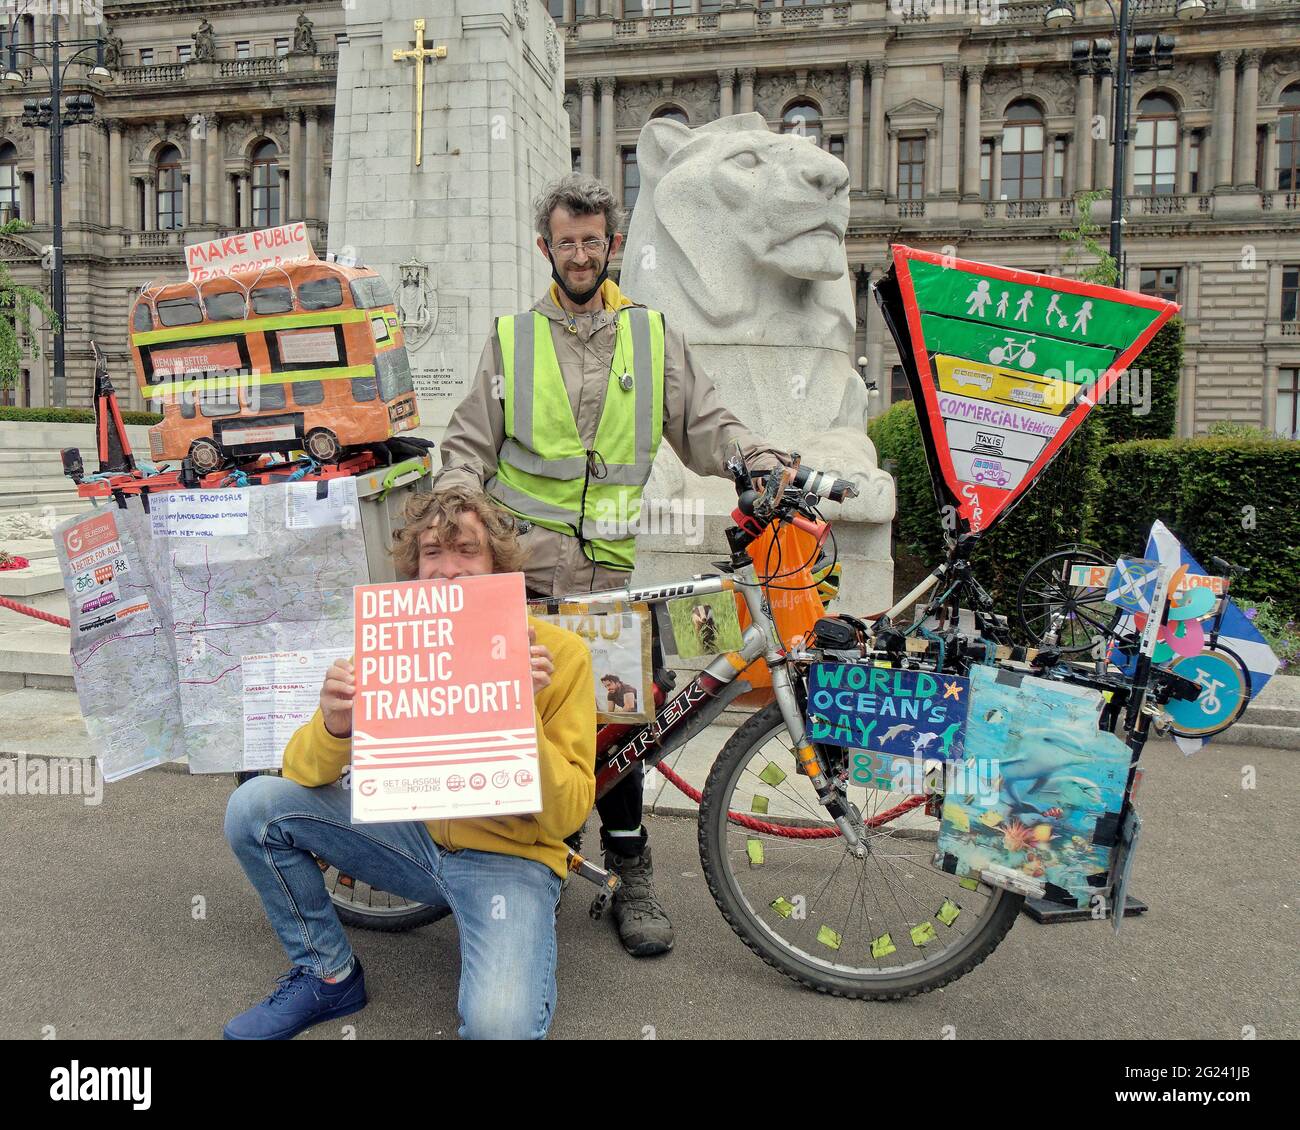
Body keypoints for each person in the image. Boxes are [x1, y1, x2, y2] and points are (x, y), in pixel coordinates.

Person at [435, 174, 783, 958]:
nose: (581, 254)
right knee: (514, 727)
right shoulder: (512, 341)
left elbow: (707, 425)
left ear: (612, 244)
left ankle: (632, 877)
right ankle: (513, 856)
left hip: (609, 583)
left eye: (594, 241)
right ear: (546, 248)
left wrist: (753, 457)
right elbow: (466, 445)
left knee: (622, 732)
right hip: (521, 578)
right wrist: (457, 503)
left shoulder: (653, 337)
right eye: (567, 242)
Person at [222, 486, 595, 1040]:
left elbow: (565, 818)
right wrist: (333, 724)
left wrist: (519, 712)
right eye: (432, 554)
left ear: (497, 565)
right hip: (410, 841)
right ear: (415, 568)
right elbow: (303, 773)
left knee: (499, 1028)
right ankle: (328, 974)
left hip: (508, 863)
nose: (447, 571)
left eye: (466, 552)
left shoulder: (560, 657)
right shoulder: (394, 641)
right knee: (255, 806)